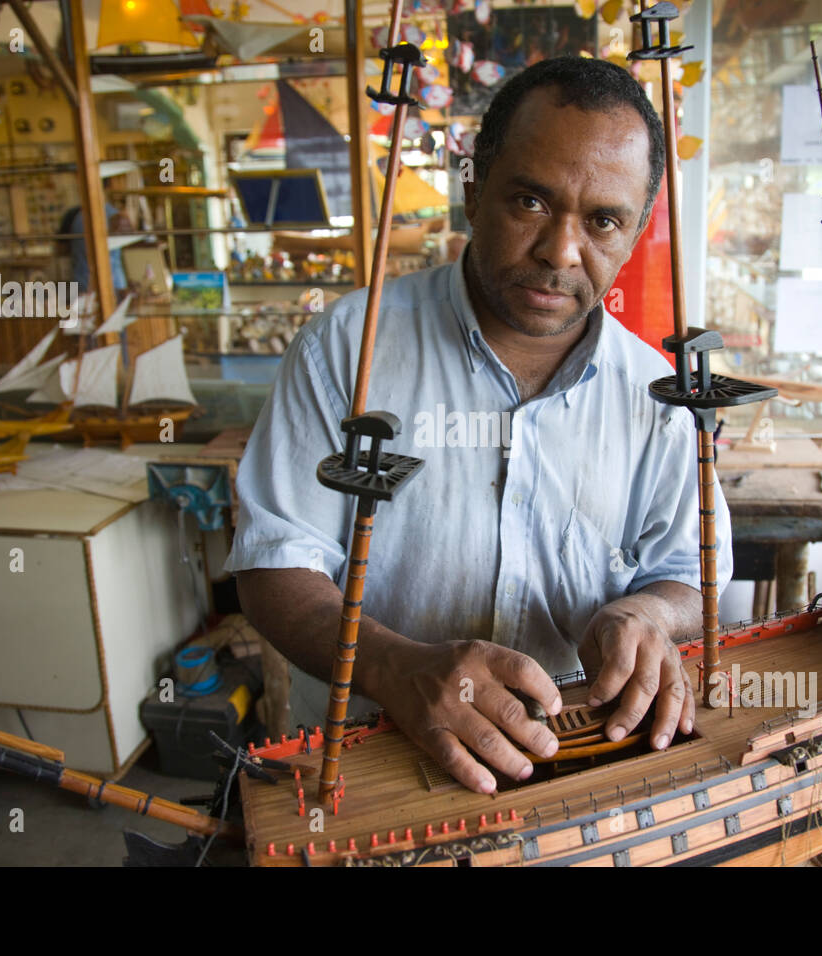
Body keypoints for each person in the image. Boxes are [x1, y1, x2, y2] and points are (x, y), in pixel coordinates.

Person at [228, 57, 732, 795]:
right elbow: (273, 564)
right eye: (530, 202)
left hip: (576, 764)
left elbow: (689, 573)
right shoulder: (349, 347)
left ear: (634, 231)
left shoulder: (657, 394)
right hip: (371, 764)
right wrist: (397, 666)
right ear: (473, 188)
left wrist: (643, 612)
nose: (562, 252)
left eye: (602, 221)